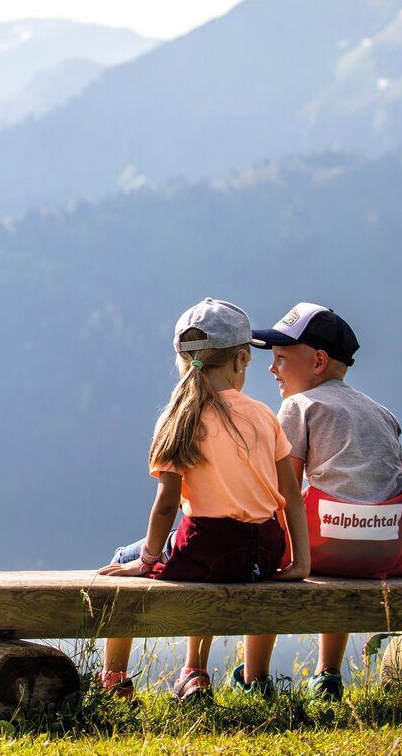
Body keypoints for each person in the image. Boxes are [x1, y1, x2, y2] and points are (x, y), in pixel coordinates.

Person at [97, 298, 309, 701]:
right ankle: (194, 669)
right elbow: (292, 497)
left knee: (124, 558)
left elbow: (165, 505)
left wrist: (147, 560)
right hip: (262, 553)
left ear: (183, 362)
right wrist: (301, 562)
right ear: (241, 360)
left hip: (204, 552)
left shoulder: (178, 418)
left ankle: (113, 681)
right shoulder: (265, 415)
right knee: (211, 549)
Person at [243, 303, 402, 701]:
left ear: (318, 361)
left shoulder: (299, 406)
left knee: (266, 549)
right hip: (387, 550)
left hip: (322, 545)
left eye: (282, 359)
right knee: (344, 550)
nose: (272, 369)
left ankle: (254, 680)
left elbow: (284, 489)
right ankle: (328, 675)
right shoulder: (383, 412)